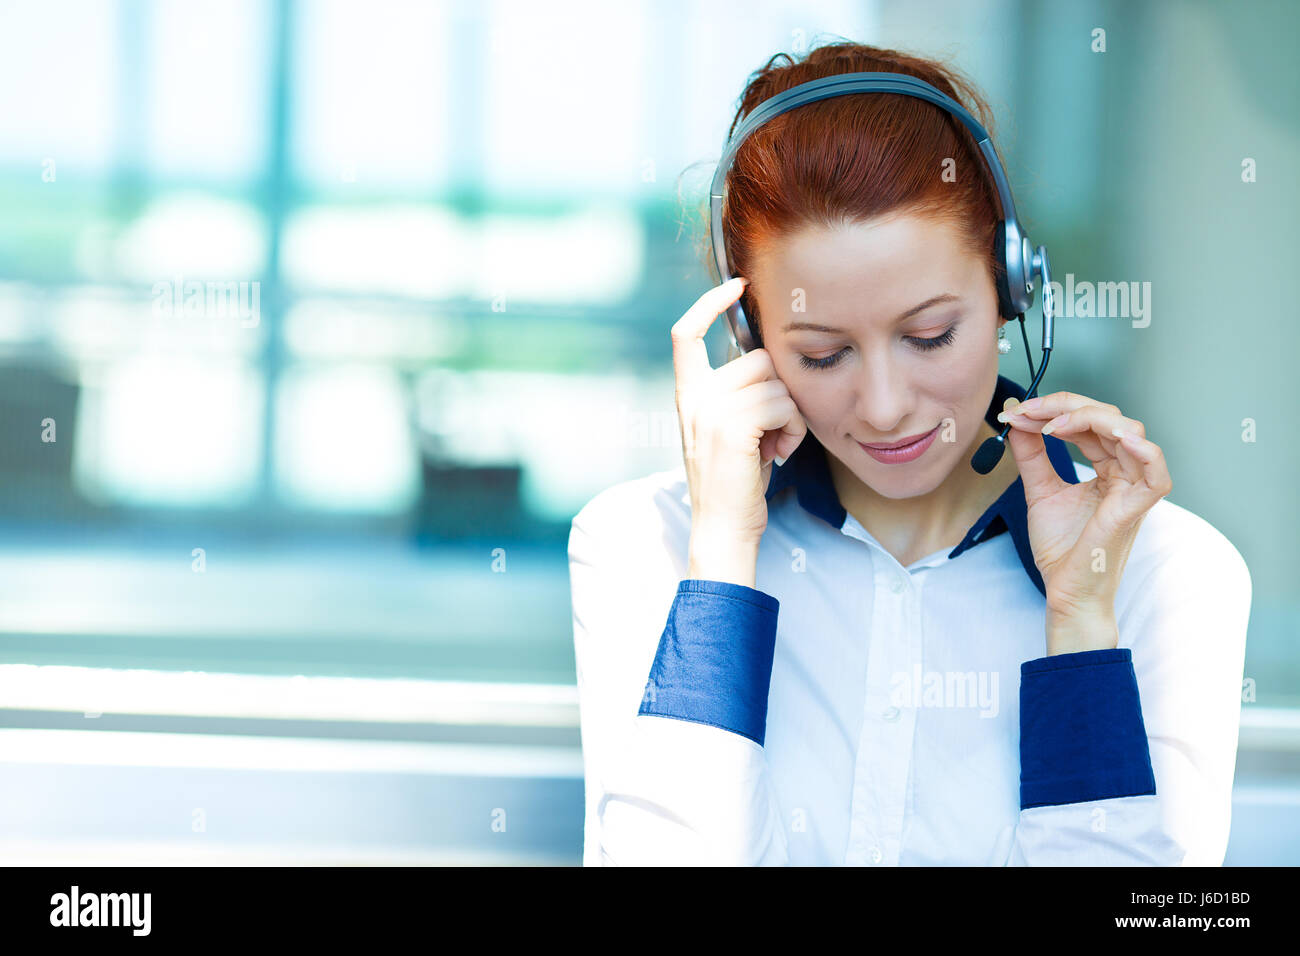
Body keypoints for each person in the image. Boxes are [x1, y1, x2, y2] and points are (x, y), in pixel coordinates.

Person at [567, 41, 1251, 865]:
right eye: (822, 354)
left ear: (1008, 288)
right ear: (749, 337)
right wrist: (718, 561)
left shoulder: (1171, 572)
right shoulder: (644, 544)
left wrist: (1080, 624)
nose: (886, 407)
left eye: (929, 335)